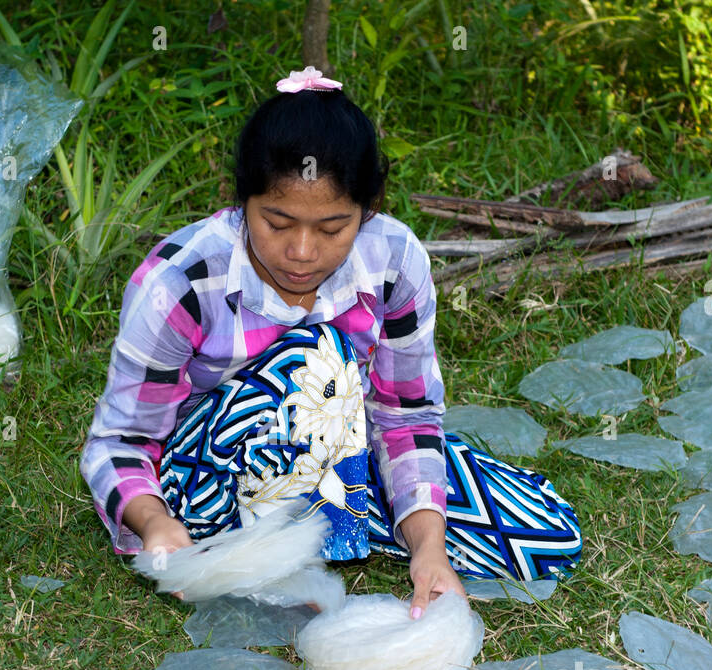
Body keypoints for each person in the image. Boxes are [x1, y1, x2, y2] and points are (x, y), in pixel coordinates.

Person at [80, 66, 583, 619]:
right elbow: (120, 443)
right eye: (277, 221)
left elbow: (405, 418)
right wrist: (154, 524)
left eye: (332, 229)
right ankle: (271, 535)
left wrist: (430, 549)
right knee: (314, 354)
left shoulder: (393, 261)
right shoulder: (183, 282)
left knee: (542, 536)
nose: (301, 251)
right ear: (240, 200)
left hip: (340, 455)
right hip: (206, 483)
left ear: (368, 211)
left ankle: (338, 524)